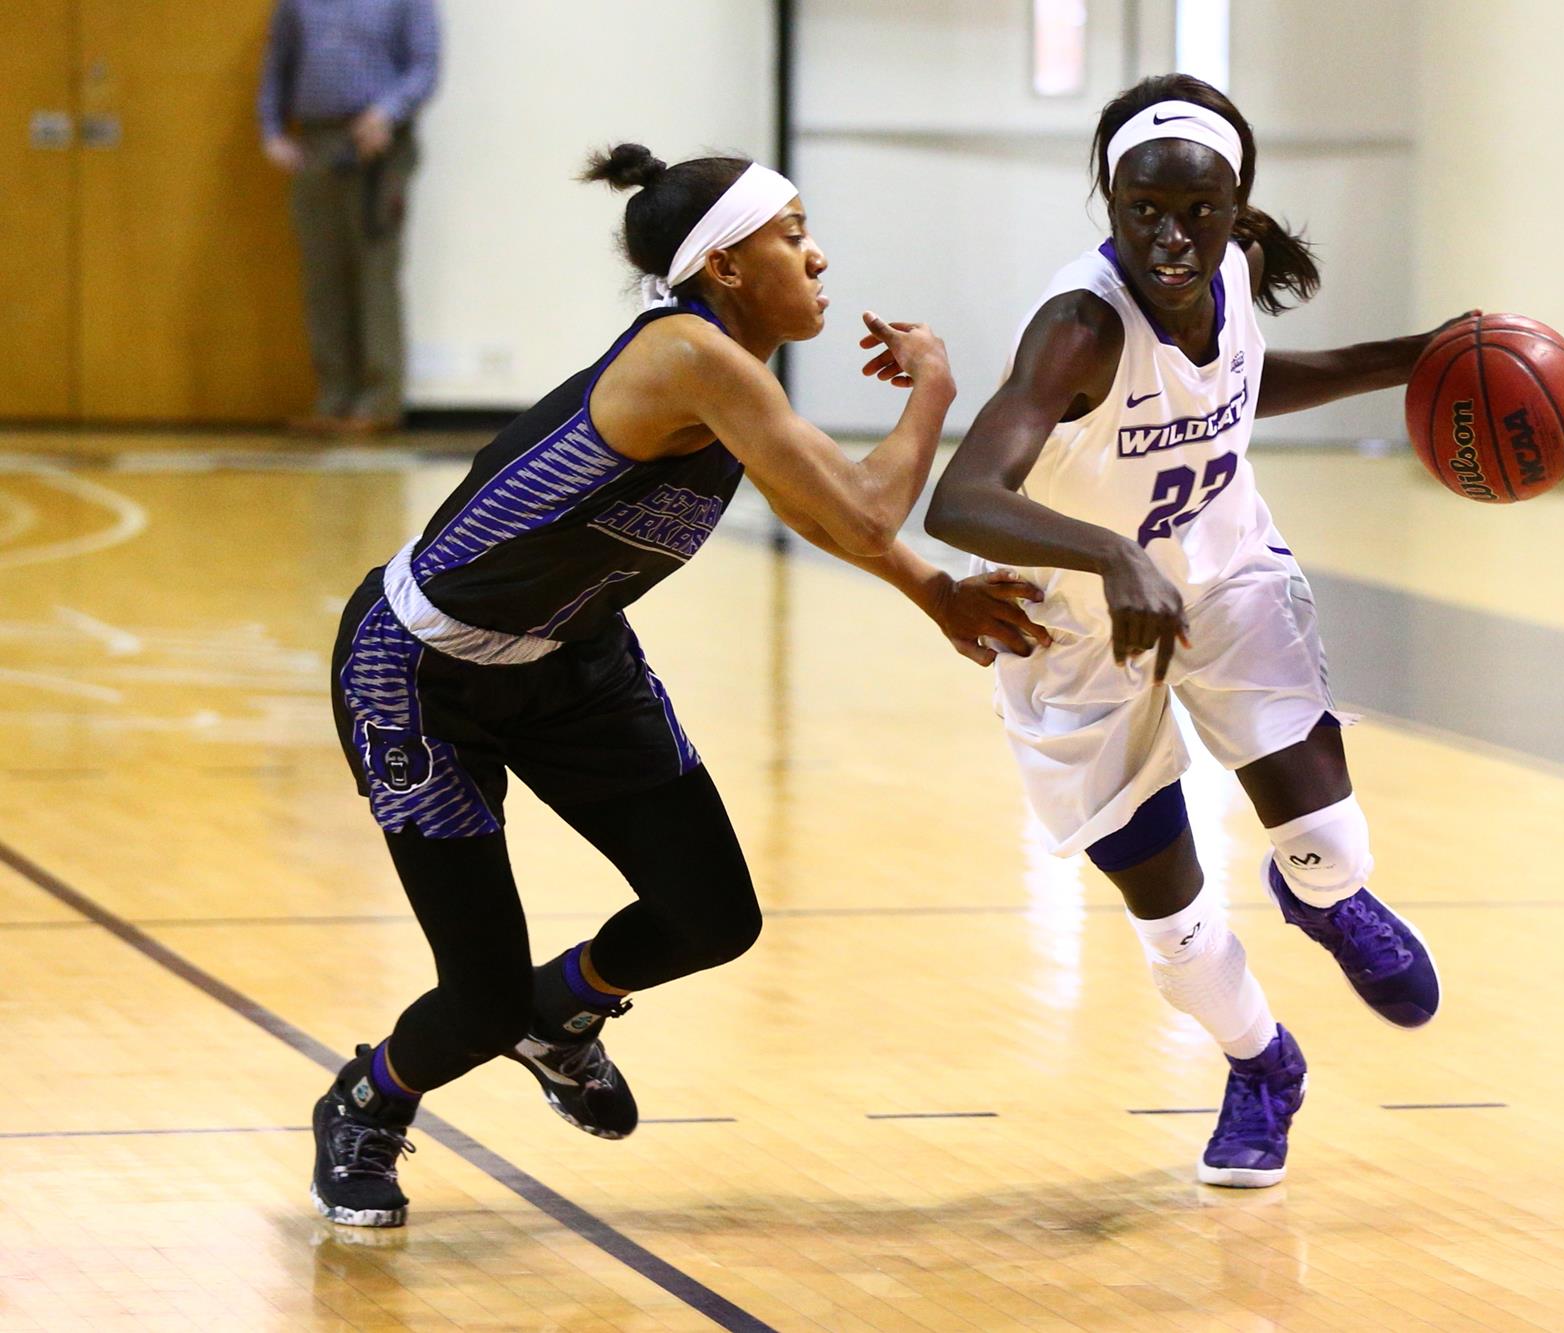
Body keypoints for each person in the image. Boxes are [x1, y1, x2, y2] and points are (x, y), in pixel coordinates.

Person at [311, 145, 1049, 1227]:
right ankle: (367, 1101)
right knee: (475, 999)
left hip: (573, 659)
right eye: (792, 235)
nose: (816, 253)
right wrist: (935, 385)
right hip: (422, 672)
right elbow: (865, 511)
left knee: (710, 915)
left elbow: (818, 512)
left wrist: (934, 593)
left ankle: (557, 1015)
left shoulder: (726, 368)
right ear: (727, 267)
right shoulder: (687, 357)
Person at [926, 74, 1447, 1188]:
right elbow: (960, 497)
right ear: (1107, 202)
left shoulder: (1237, 270)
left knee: (1333, 843)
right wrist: (1111, 557)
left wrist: (1410, 355)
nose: (1169, 237)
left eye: (1195, 213)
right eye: (1139, 211)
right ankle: (1261, 1064)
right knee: (1168, 919)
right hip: (1064, 622)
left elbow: (1242, 385)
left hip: (1222, 574)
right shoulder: (1077, 328)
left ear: (1236, 204)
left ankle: (1321, 897)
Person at [258, 0, 442, 434]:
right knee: (322, 273)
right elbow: (277, 60)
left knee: (375, 272)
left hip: (380, 145)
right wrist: (271, 131)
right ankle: (333, 399)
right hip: (317, 143)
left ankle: (378, 403)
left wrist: (386, 113)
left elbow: (424, 67)